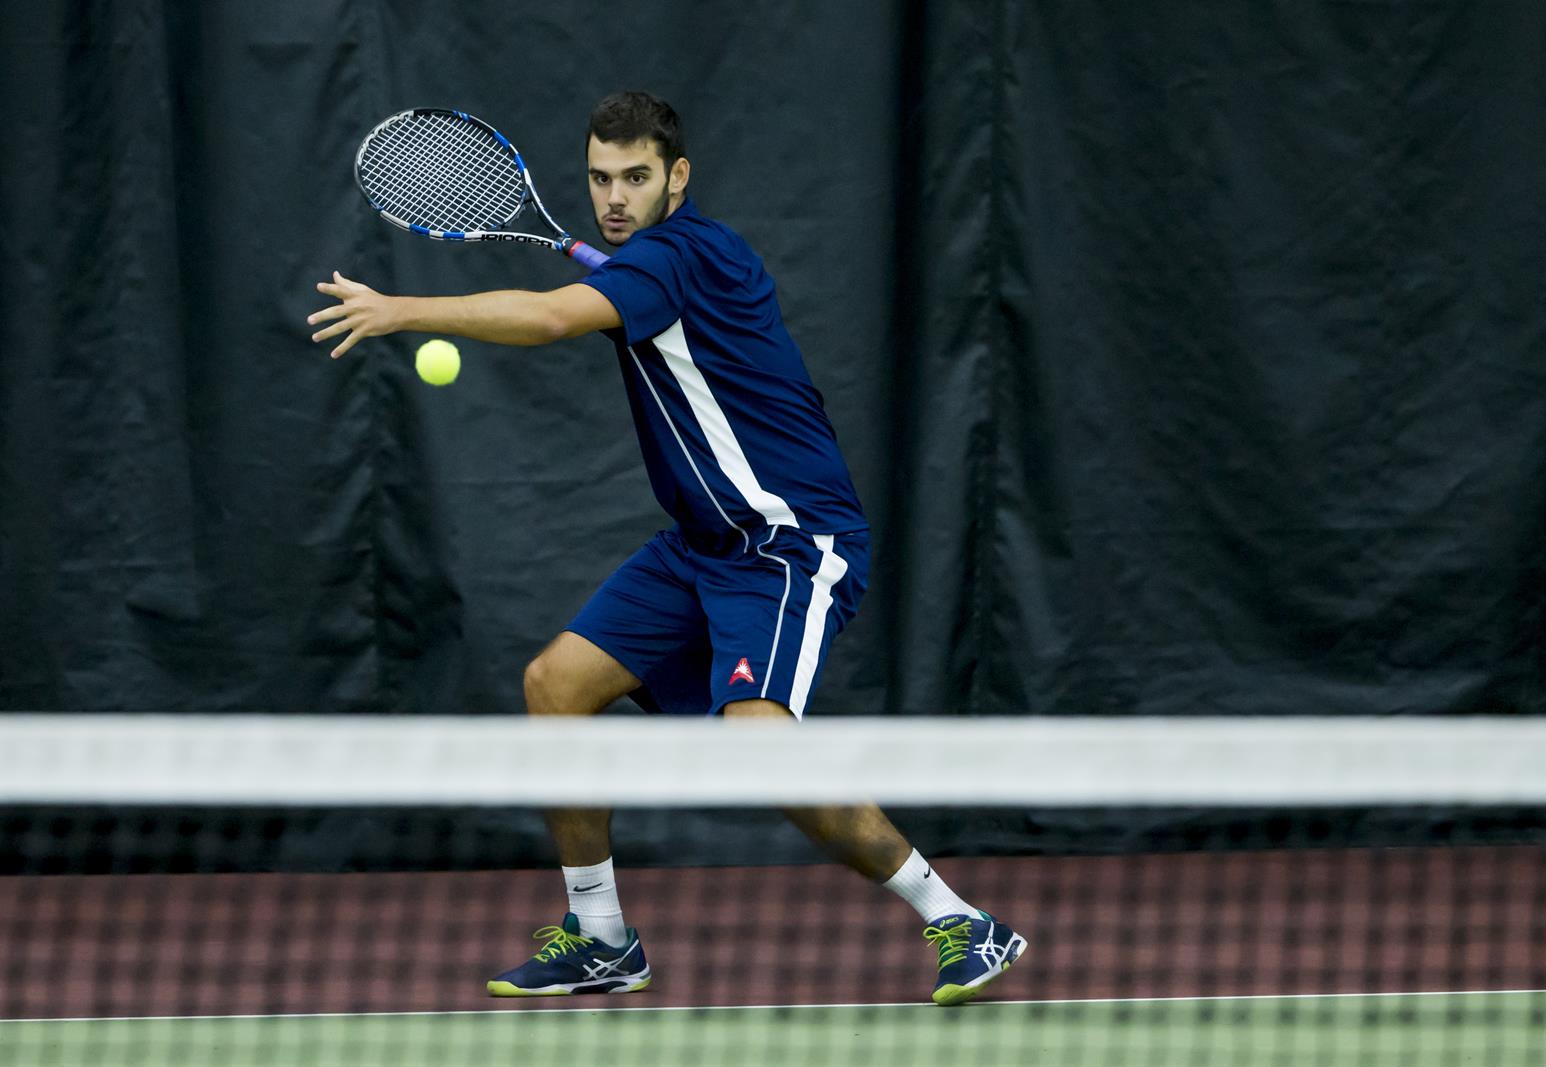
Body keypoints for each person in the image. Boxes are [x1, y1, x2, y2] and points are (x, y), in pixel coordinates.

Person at [307, 90, 1026, 1006]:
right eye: (601, 177)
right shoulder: (651, 265)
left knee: (760, 746)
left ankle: (961, 918)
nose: (614, 195)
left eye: (636, 177)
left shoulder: (680, 255)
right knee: (555, 685)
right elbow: (608, 300)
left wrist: (400, 309)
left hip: (787, 542)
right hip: (699, 545)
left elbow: (547, 320)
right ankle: (602, 935)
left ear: (676, 177)